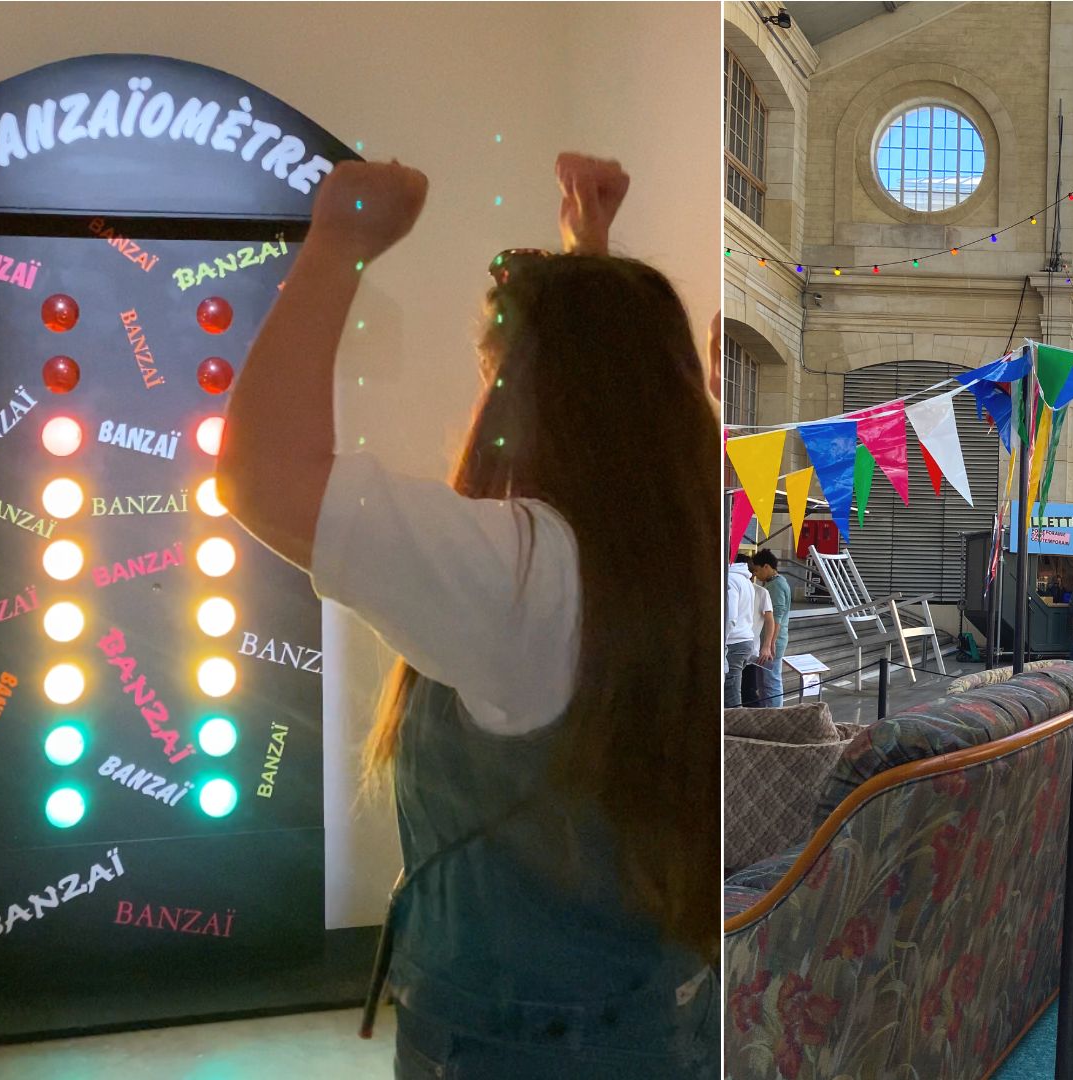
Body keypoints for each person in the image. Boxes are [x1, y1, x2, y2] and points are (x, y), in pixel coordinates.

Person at [217, 154, 717, 1076]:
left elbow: (262, 476)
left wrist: (342, 245)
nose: (490, 396)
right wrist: (587, 259)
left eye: (499, 370)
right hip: (654, 1019)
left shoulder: (522, 578)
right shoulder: (661, 552)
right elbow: (617, 386)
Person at [724, 554, 771, 708]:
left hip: (733, 642)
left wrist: (722, 641)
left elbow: (730, 617)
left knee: (731, 696)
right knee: (738, 691)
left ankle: (734, 730)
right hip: (745, 641)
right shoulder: (744, 580)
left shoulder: (731, 579)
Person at [748, 550, 791, 705]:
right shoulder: (777, 582)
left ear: (766, 566)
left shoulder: (776, 586)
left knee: (771, 683)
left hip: (773, 642)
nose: (755, 575)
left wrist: (770, 643)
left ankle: (774, 717)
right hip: (771, 641)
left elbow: (776, 618)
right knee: (764, 683)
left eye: (757, 570)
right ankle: (767, 715)